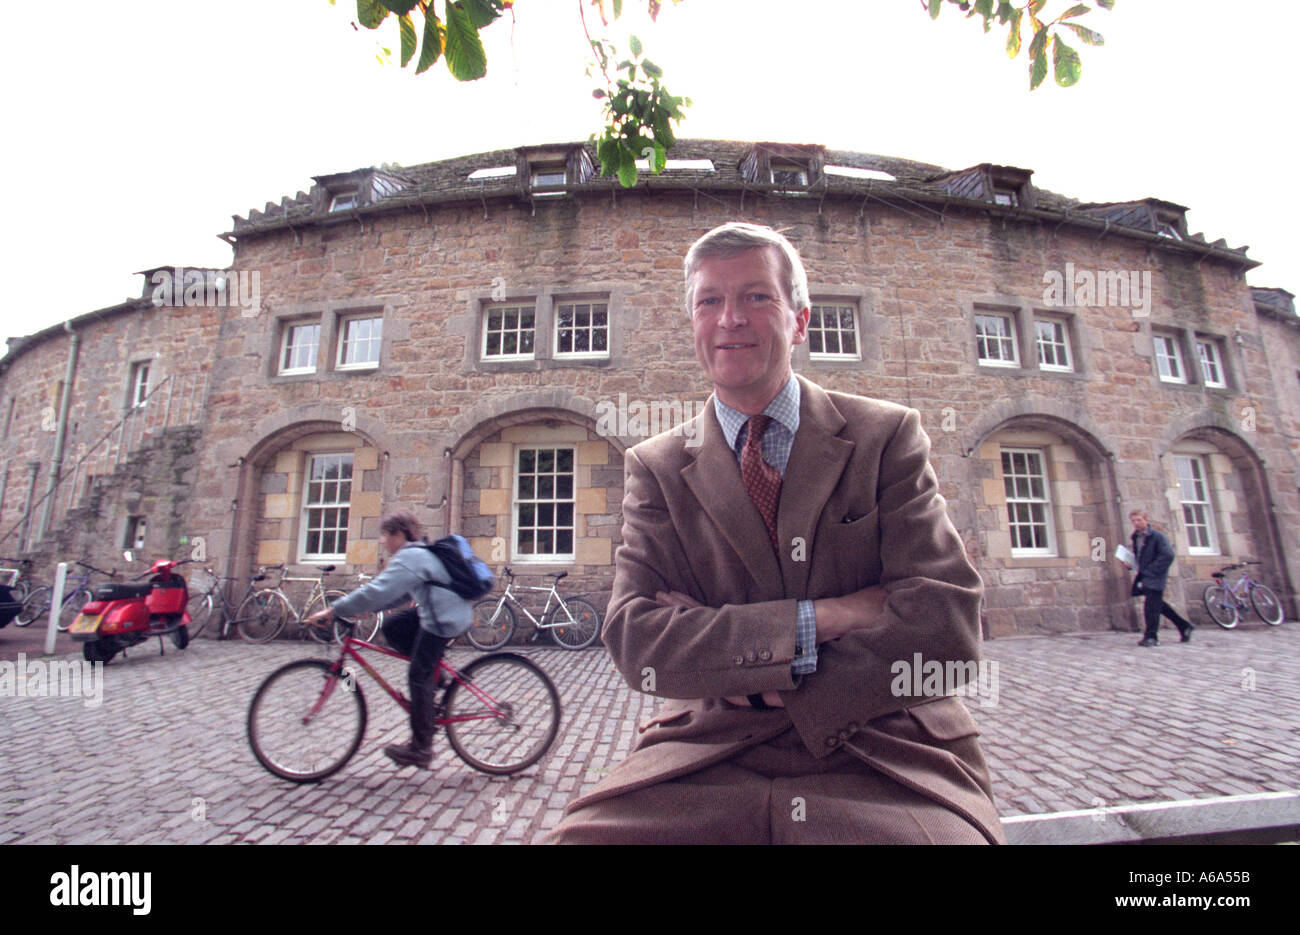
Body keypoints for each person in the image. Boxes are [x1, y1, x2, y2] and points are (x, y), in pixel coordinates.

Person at [545, 222, 1005, 844]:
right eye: (710, 300)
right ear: (694, 324)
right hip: (708, 752)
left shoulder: (885, 437)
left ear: (800, 320)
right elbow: (637, 640)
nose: (730, 318)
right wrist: (835, 614)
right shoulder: (656, 467)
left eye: (757, 296)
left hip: (886, 747)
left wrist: (748, 674)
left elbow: (947, 623)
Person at [307, 511, 472, 767]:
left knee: (418, 675)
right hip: (440, 612)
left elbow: (377, 589)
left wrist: (335, 609)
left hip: (444, 619)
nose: (381, 542)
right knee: (394, 626)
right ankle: (436, 676)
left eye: (384, 535)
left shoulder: (410, 556)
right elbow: (400, 594)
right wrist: (371, 609)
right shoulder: (416, 554)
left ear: (399, 534)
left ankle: (421, 748)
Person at [1122, 509, 1194, 646]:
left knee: (1150, 607)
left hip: (1156, 576)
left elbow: (1168, 555)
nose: (1136, 523)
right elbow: (1140, 557)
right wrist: (1130, 564)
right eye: (1133, 521)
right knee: (1158, 605)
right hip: (1144, 575)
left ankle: (1151, 636)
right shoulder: (1136, 537)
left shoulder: (1158, 536)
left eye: (1139, 520)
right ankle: (1184, 626)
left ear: (1146, 520)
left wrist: (1151, 571)